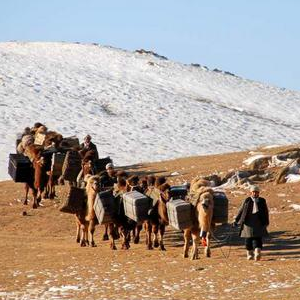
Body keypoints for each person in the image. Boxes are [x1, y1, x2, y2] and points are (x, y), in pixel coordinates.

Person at [233, 185, 269, 261]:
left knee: (258, 239)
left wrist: (266, 221)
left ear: (259, 193)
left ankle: (257, 253)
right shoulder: (247, 200)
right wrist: (236, 220)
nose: (255, 194)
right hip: (247, 224)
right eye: (253, 192)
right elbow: (241, 210)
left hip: (259, 223)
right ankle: (249, 254)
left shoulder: (262, 201)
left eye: (256, 192)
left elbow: (266, 212)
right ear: (250, 193)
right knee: (248, 239)